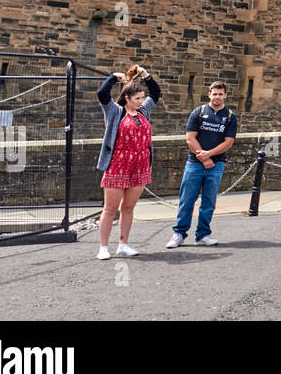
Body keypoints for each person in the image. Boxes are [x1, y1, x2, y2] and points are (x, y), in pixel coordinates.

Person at [95, 65, 161, 260]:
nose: (142, 101)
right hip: (118, 163)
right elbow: (102, 94)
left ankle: (123, 244)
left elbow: (156, 92)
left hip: (140, 164)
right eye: (137, 98)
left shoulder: (144, 111)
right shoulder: (115, 112)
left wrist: (146, 75)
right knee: (110, 209)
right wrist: (113, 77)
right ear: (127, 99)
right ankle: (103, 247)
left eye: (142, 98)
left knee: (129, 207)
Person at [167, 80, 237, 248]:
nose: (217, 97)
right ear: (209, 94)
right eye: (215, 94)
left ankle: (203, 235)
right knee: (186, 200)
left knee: (208, 202)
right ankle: (179, 234)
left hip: (217, 164)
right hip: (195, 164)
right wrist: (204, 158)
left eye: (221, 94)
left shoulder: (230, 116)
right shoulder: (198, 112)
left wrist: (210, 155)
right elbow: (190, 138)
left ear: (225, 95)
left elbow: (228, 143)